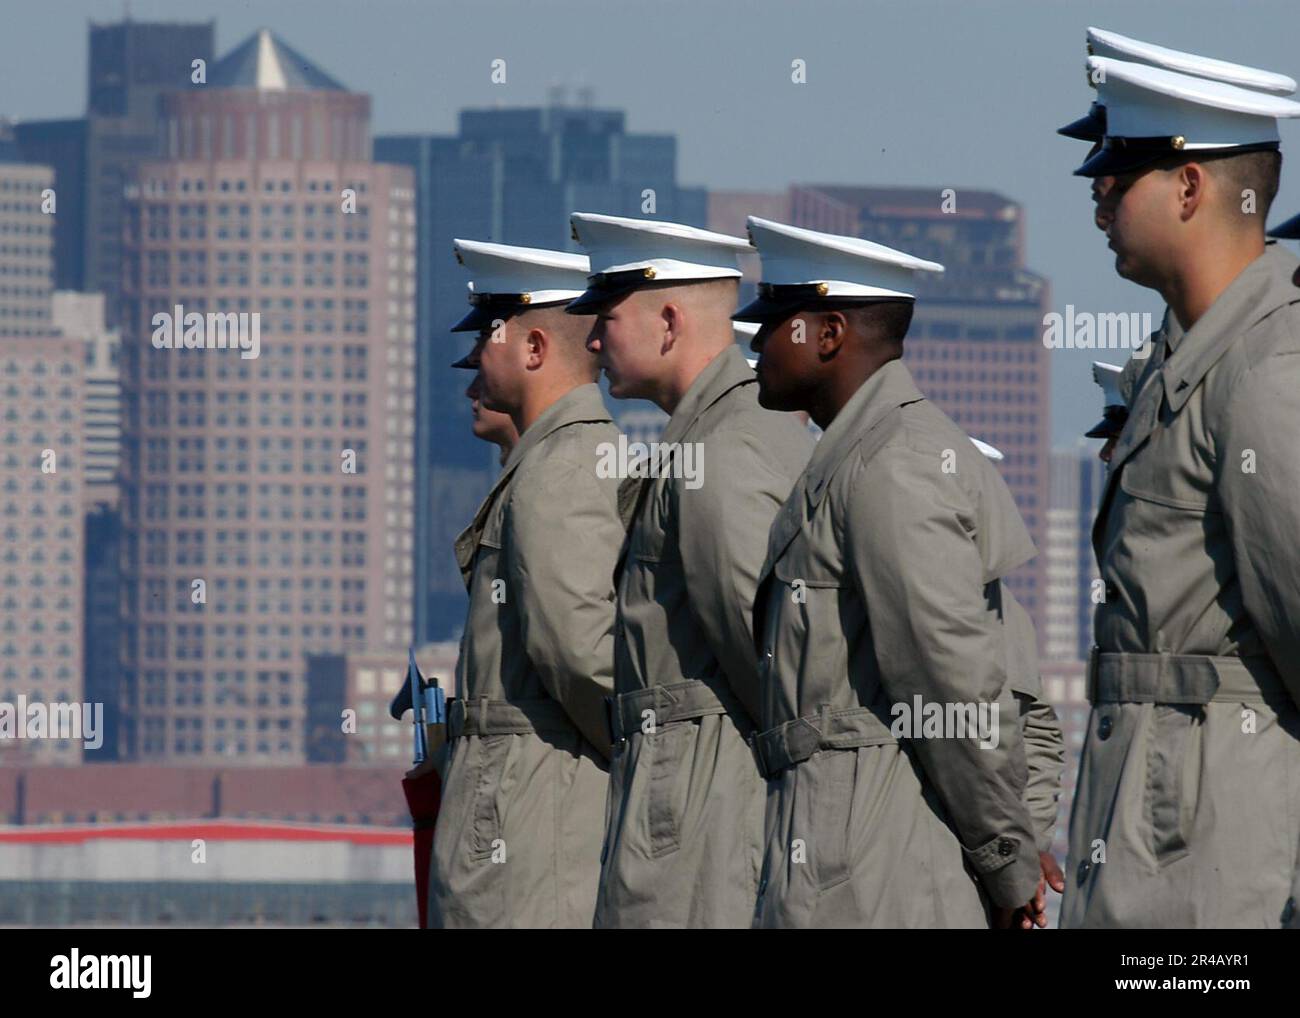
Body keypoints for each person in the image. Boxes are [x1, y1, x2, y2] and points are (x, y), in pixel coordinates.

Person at [739, 215, 1045, 928]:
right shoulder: (855, 456)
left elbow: (951, 680)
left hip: (880, 880)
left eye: (775, 322)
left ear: (830, 334)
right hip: (836, 864)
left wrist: (1007, 863)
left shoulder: (892, 463)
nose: (755, 343)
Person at [1061, 55, 1300, 928]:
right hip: (1147, 847)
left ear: (1192, 184)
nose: (1097, 200)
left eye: (1117, 175)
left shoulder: (1269, 370)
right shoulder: (1178, 367)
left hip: (1219, 861)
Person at [567, 212, 815, 928]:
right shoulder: (715, 436)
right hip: (696, 798)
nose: (592, 339)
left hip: (705, 813)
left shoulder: (722, 449)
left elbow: (764, 657)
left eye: (606, 316)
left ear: (668, 320)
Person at [428, 239, 625, 928]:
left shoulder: (561, 471)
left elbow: (580, 656)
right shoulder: (553, 462)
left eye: (488, 337)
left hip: (530, 822)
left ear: (535, 346)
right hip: (520, 806)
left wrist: (645, 769)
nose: (476, 362)